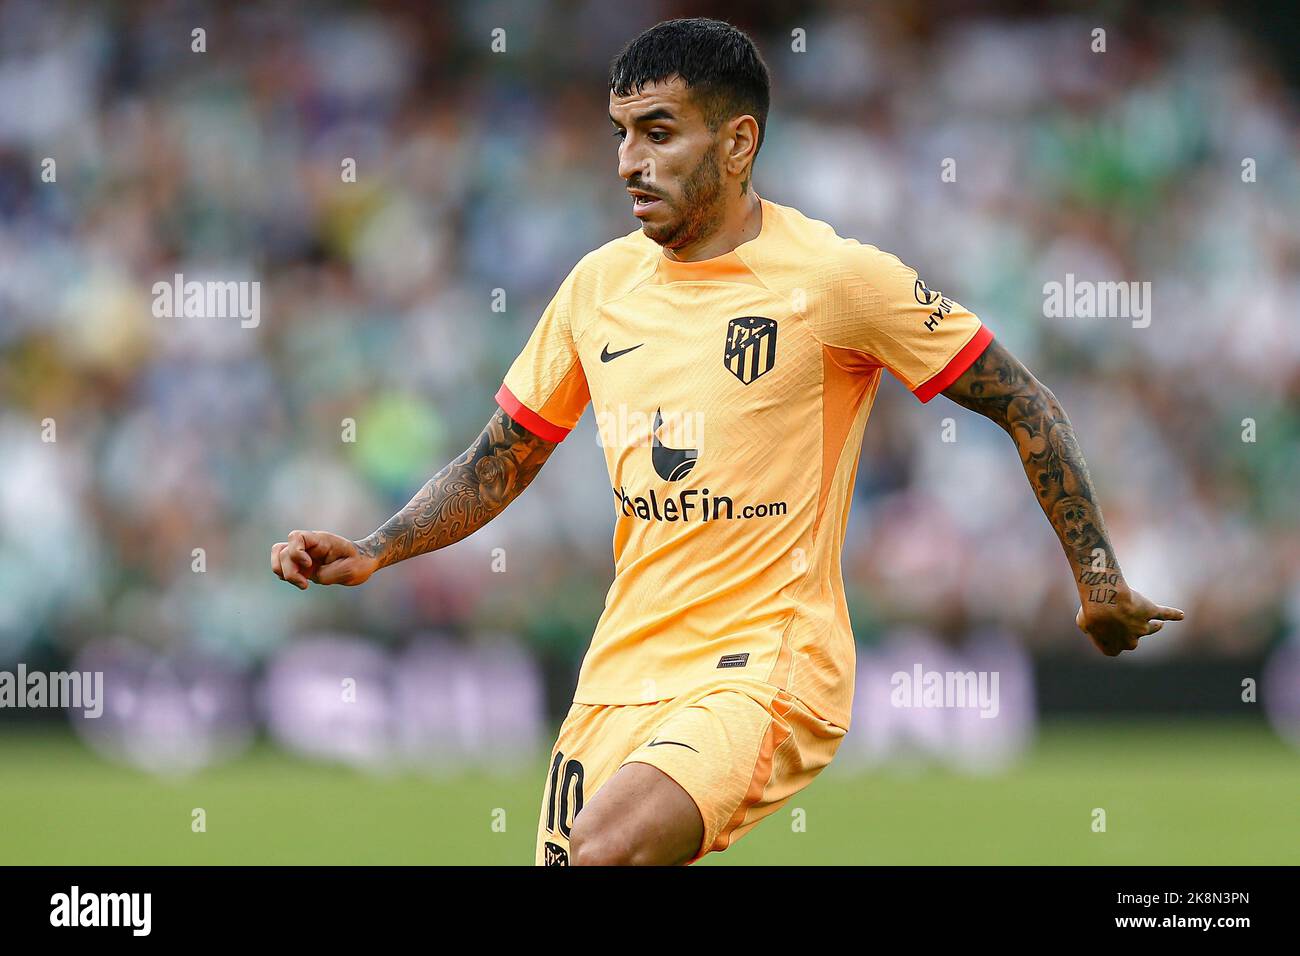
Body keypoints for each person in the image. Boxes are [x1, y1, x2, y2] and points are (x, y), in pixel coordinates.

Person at [272, 17, 1183, 866]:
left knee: (602, 853)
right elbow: (499, 459)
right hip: (619, 671)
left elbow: (1029, 404)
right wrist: (376, 548)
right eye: (621, 133)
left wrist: (1097, 577)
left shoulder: (836, 280)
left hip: (766, 662)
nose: (630, 161)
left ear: (738, 143)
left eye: (659, 133)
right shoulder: (597, 288)